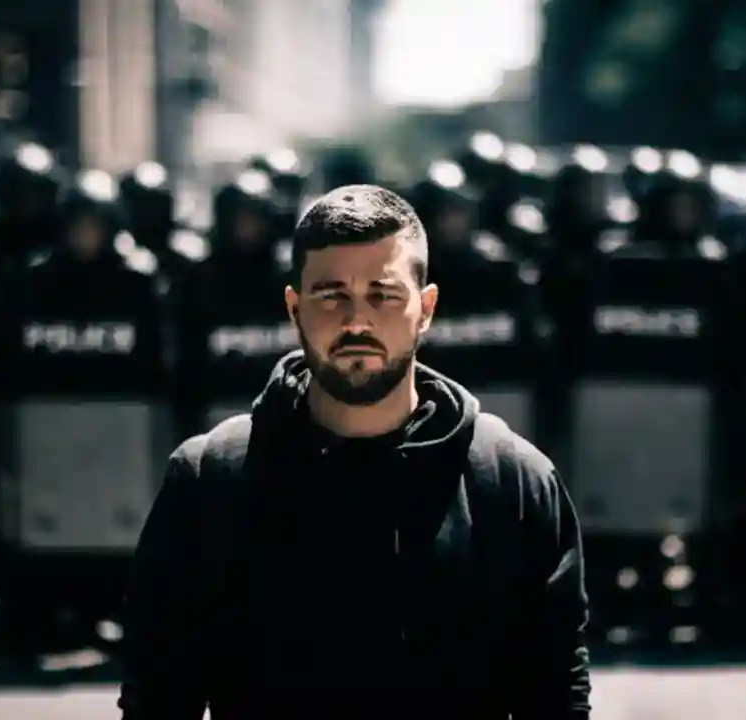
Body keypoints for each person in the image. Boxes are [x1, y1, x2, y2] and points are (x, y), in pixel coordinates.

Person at [118, 184, 591, 719]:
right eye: (331, 295)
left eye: (383, 295)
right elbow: (157, 698)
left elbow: (555, 696)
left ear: (427, 308)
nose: (357, 322)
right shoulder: (211, 479)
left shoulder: (512, 481)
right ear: (294, 308)